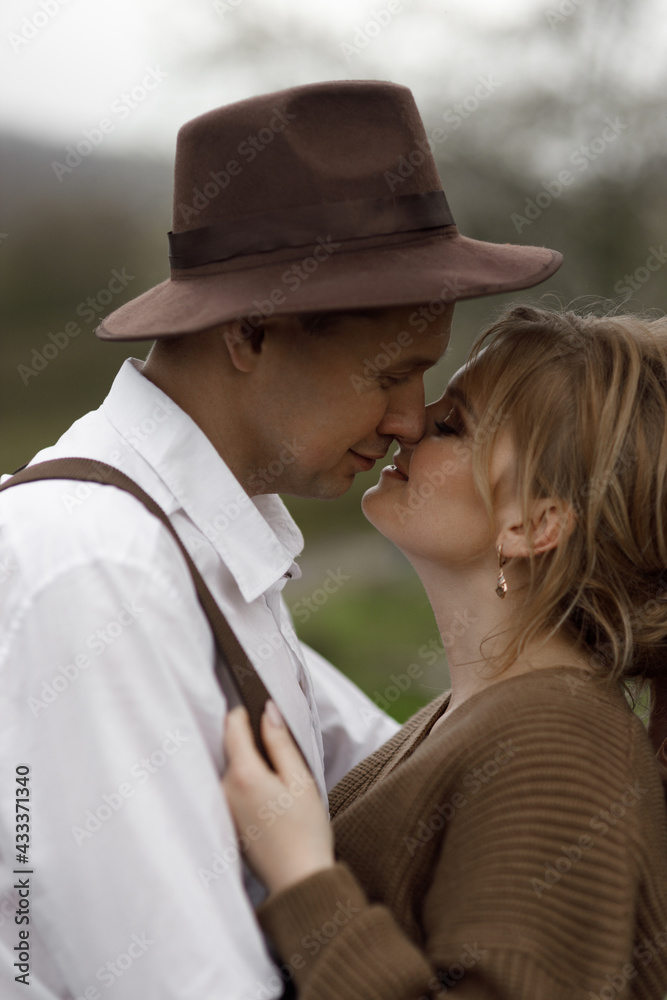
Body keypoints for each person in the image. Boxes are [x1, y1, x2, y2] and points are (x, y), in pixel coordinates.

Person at [0, 81, 562, 998]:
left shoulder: (185, 545)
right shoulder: (97, 569)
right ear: (250, 334)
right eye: (391, 373)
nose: (411, 422)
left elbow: (406, 782)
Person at [223, 303, 667, 1000]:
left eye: (453, 423)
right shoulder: (486, 713)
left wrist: (304, 880)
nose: (408, 423)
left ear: (535, 522)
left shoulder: (558, 748)